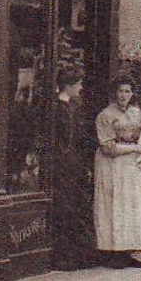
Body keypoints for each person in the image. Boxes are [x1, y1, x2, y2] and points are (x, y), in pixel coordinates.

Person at [93, 76, 141, 269]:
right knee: (115, 205)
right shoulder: (105, 115)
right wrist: (136, 149)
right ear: (114, 93)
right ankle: (114, 252)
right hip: (112, 165)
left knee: (131, 206)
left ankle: (129, 251)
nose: (123, 95)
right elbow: (108, 148)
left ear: (132, 94)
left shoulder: (136, 113)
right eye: (120, 91)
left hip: (131, 166)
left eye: (127, 91)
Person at [47, 64, 97, 270]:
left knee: (76, 208)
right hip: (62, 166)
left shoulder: (74, 107)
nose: (81, 87)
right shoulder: (56, 108)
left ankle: (78, 255)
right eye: (79, 84)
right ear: (68, 85)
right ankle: (64, 257)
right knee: (65, 209)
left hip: (74, 166)